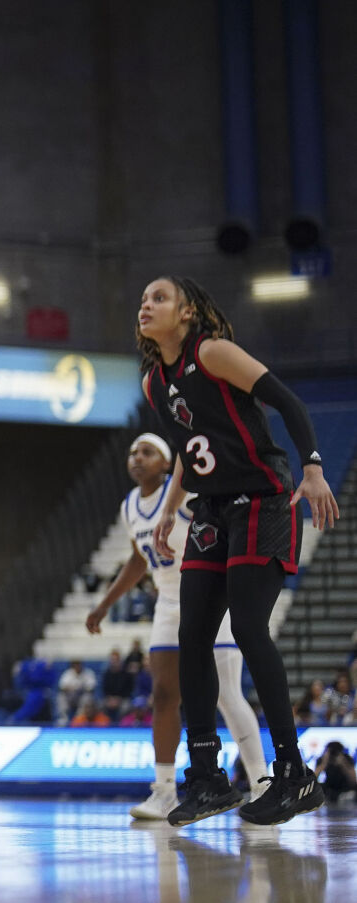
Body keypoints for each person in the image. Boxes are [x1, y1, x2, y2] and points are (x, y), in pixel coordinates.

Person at [138, 276, 339, 826]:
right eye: (143, 300)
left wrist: (313, 468)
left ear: (186, 312)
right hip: (211, 507)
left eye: (159, 298)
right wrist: (169, 508)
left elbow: (287, 402)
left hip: (264, 499)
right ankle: (207, 778)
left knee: (249, 628)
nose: (146, 306)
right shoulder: (156, 383)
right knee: (192, 637)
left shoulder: (212, 353)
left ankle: (294, 773)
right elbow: (189, 450)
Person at [87, 432, 267, 821]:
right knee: (164, 695)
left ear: (167, 463)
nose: (137, 458)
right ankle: (164, 790)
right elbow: (138, 560)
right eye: (132, 452)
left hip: (209, 595)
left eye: (147, 452)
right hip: (169, 603)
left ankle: (261, 783)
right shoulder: (129, 506)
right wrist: (104, 604)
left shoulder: (185, 491)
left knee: (226, 695)